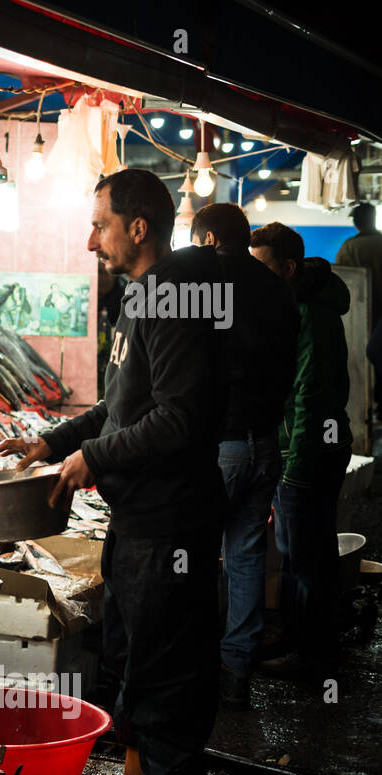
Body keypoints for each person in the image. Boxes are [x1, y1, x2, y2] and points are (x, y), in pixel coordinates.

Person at [0, 168, 226, 775]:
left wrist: (94, 457)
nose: (90, 238)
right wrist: (53, 441)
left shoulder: (176, 299)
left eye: (101, 224)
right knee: (129, 651)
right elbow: (120, 408)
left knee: (168, 663)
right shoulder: (140, 297)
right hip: (137, 516)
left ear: (139, 227)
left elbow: (181, 418)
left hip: (171, 518)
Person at [190, 203, 299, 709]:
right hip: (264, 444)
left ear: (210, 239)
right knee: (246, 557)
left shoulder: (204, 282)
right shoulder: (278, 287)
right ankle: (236, 672)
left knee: (187, 555)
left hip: (219, 444)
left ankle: (189, 670)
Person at [251, 222, 352, 678]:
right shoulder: (289, 304)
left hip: (310, 450)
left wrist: (297, 469)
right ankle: (297, 638)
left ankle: (315, 658)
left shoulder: (311, 313)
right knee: (294, 551)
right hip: (293, 448)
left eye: (264, 267)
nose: (256, 279)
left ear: (288, 267)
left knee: (309, 556)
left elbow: (311, 396)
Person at [336, 203, 382, 419]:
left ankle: (367, 414)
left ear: (357, 222)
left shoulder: (350, 247)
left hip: (360, 321)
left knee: (362, 366)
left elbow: (341, 285)